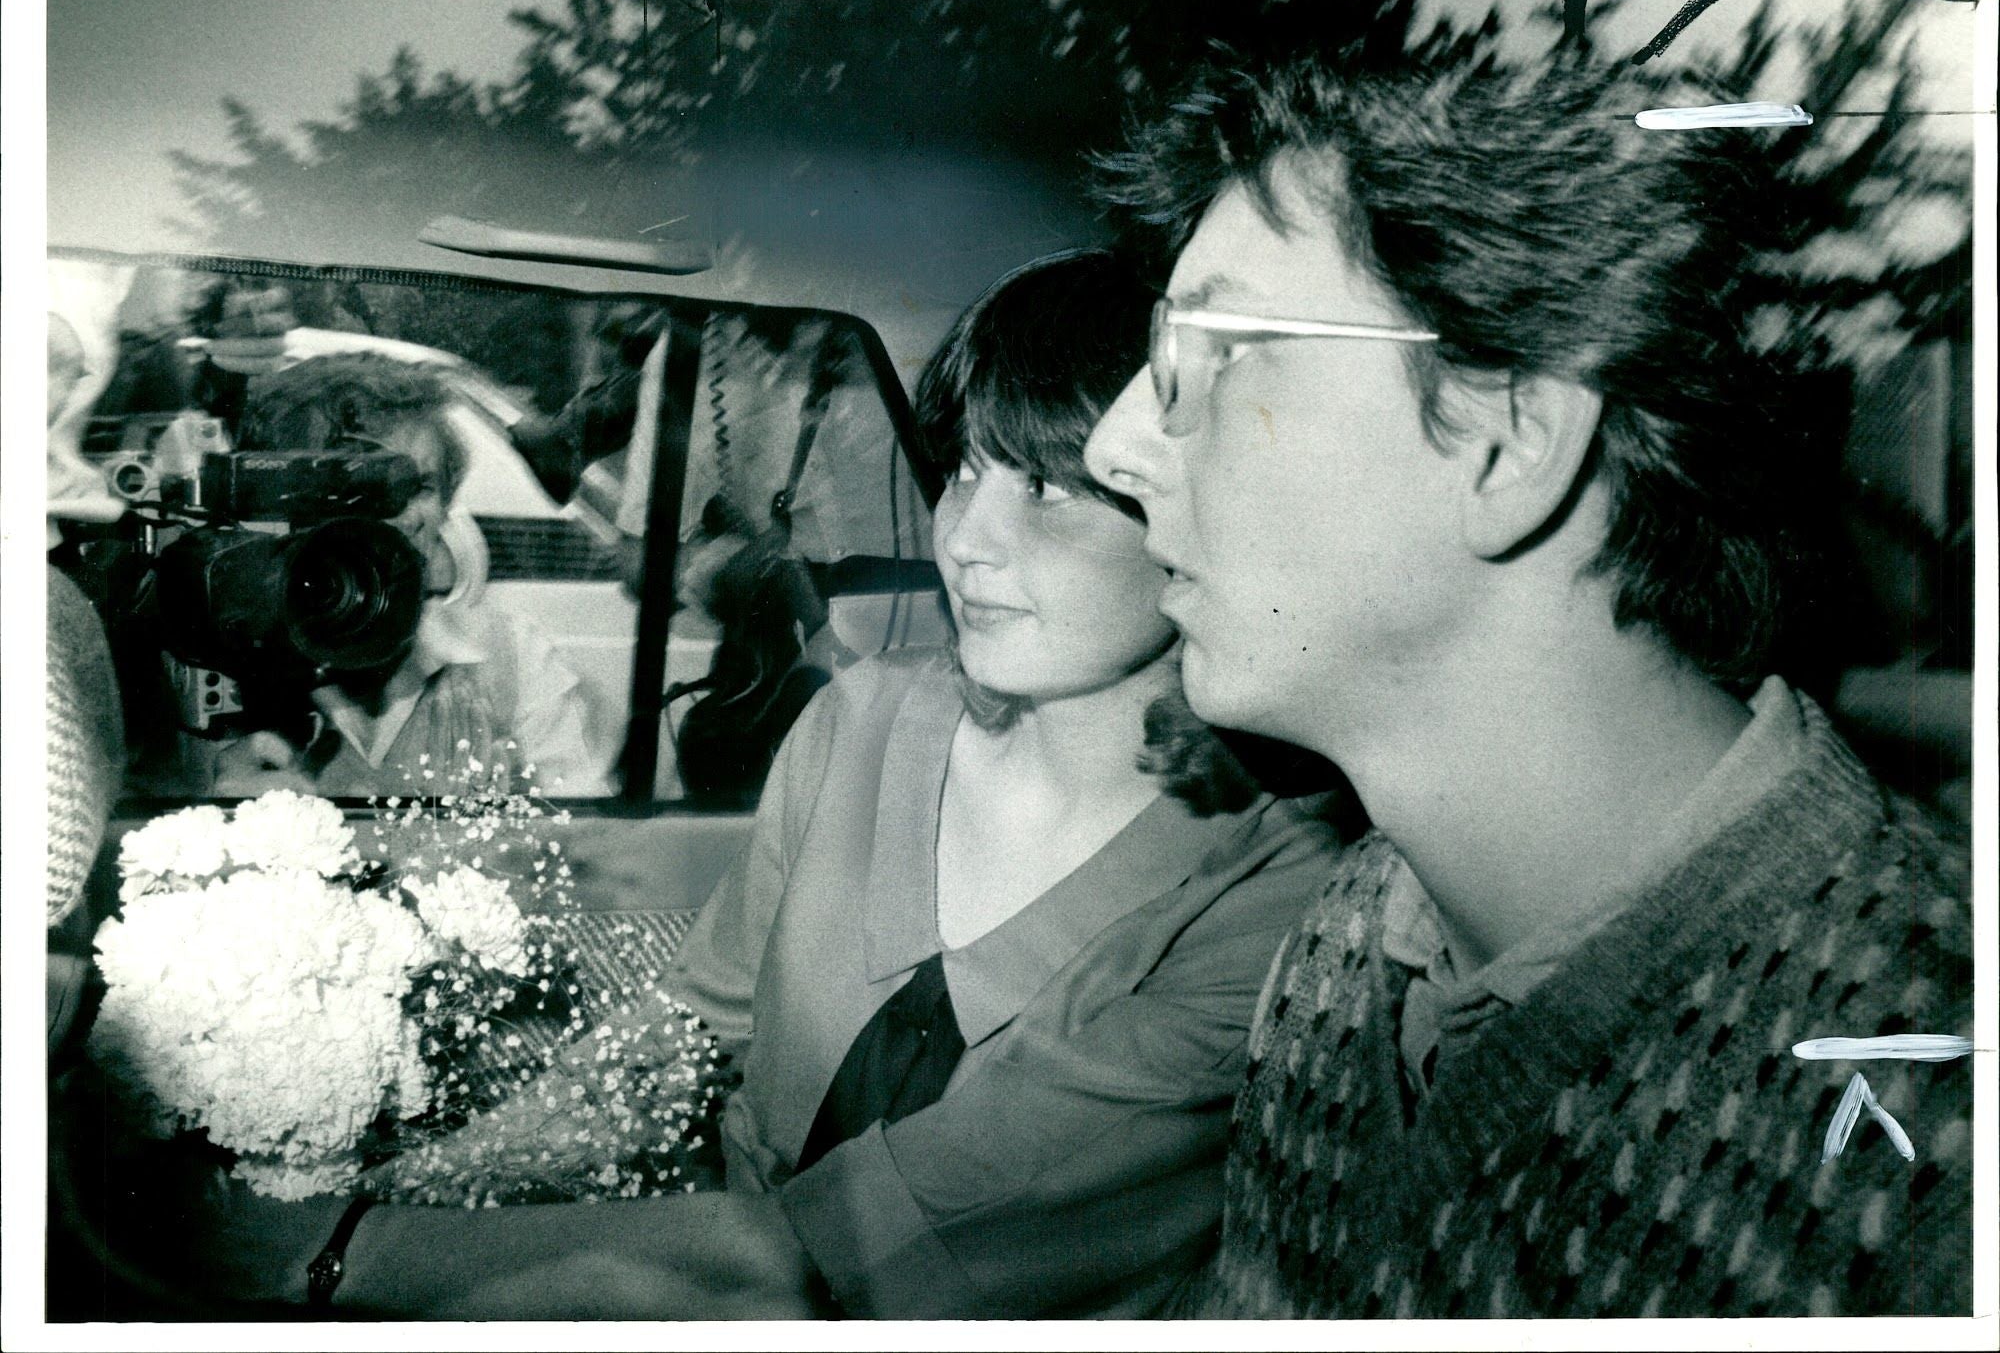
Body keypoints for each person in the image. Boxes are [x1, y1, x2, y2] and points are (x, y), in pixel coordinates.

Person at [122, 249, 1340, 1319]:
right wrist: (410, 1182)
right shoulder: (863, 720)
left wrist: (333, 1250)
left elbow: (829, 1257)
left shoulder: (1279, 893)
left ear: (1204, 514)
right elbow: (680, 1039)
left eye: (1052, 490)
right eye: (965, 467)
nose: (966, 535)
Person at [1081, 53, 1973, 1319]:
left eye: (1214, 348)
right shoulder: (1350, 943)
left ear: (1508, 443)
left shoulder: (1935, 1127)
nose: (1112, 445)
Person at [218, 352, 610, 798]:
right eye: (365, 489)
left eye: (420, 486)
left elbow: (584, 829)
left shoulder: (509, 656)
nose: (404, 518)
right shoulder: (215, 669)